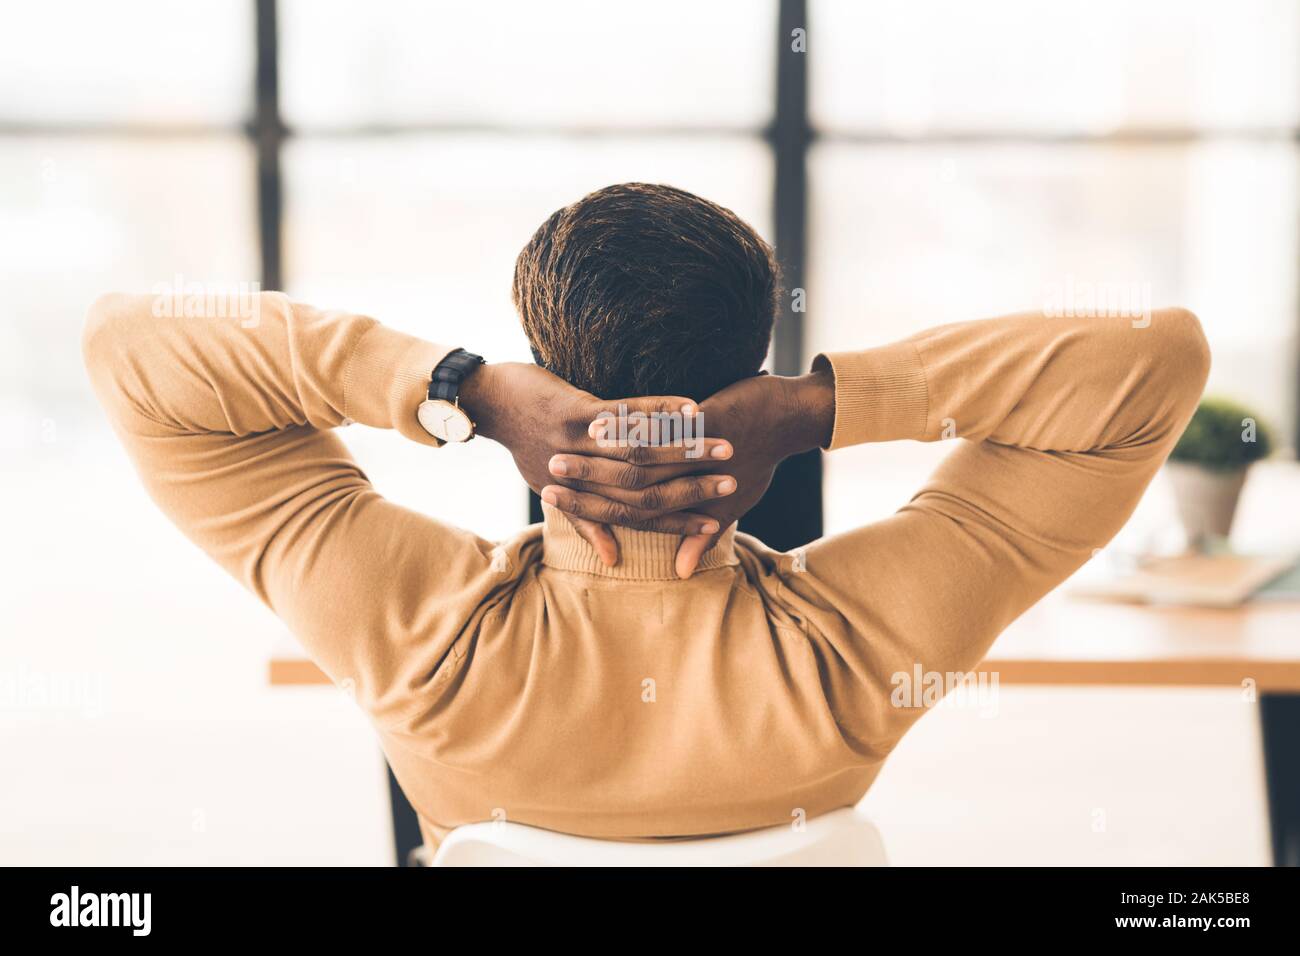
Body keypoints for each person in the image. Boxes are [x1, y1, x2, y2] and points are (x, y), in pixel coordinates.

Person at [84, 183, 1210, 849]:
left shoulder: (415, 637)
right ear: (750, 364)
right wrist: (818, 407)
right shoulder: (866, 644)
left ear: (544, 373)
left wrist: (457, 388)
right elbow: (1154, 356)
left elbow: (130, 346)